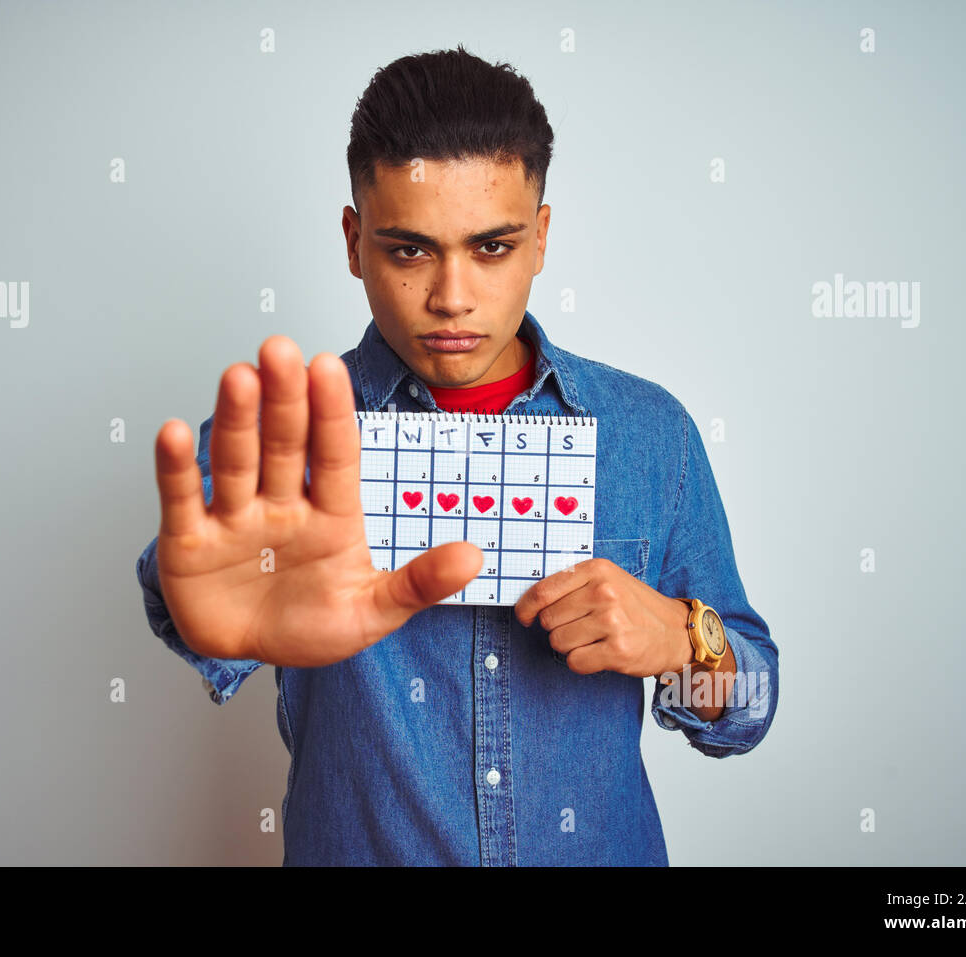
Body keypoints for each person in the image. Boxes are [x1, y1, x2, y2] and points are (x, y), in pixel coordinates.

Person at [135, 45, 778, 866]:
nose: (451, 296)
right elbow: (190, 590)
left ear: (541, 236)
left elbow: (750, 709)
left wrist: (689, 643)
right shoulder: (279, 440)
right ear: (352, 239)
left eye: (492, 248)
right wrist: (196, 609)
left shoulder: (650, 433)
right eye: (408, 250)